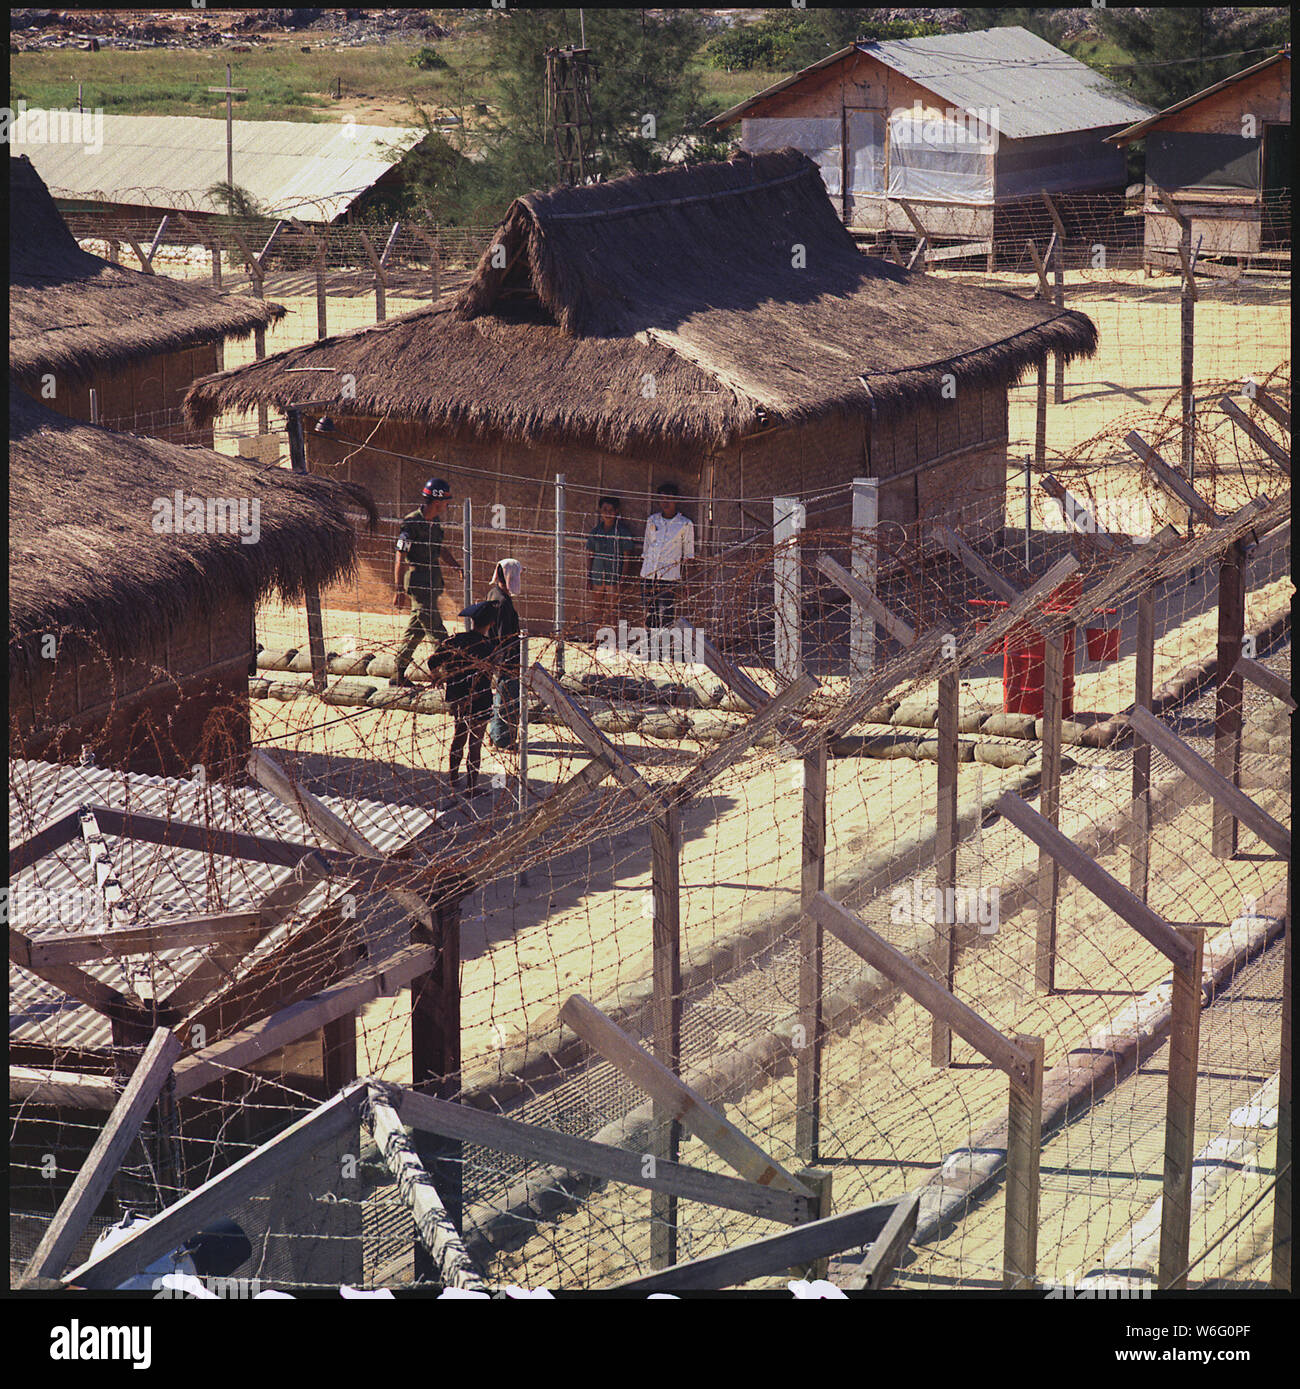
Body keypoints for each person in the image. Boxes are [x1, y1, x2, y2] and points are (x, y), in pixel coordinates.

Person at [392, 478, 464, 687]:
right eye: (446, 502)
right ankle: (451, 670)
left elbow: (440, 548)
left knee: (416, 628)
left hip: (432, 583)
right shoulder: (411, 523)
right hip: (418, 583)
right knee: (436, 629)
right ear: (437, 502)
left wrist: (456, 566)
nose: (447, 506)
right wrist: (398, 590)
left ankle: (398, 673)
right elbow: (400, 555)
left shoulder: (435, 523)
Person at [426, 602, 496, 792]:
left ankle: (453, 779)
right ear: (490, 623)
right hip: (480, 699)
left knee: (459, 737)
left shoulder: (455, 640)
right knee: (475, 744)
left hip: (458, 698)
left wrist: (438, 676)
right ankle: (471, 787)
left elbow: (432, 661)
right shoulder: (488, 647)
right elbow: (490, 673)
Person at [639, 482, 694, 631]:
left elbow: (688, 555)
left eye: (669, 498)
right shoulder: (652, 520)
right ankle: (650, 648)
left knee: (667, 615)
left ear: (676, 500)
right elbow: (646, 547)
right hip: (649, 573)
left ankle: (664, 648)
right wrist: (645, 574)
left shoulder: (685, 524)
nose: (665, 502)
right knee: (650, 613)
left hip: (669, 577)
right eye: (662, 499)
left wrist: (686, 581)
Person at [483, 557, 522, 749]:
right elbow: (505, 635)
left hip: (494, 654)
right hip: (506, 658)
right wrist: (509, 662)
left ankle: (493, 735)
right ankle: (501, 740)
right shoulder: (503, 601)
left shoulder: (493, 593)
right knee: (506, 697)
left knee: (500, 695)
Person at [585, 496, 636, 641]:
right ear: (600, 511)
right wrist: (589, 575)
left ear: (616, 511)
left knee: (614, 610)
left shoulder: (622, 532)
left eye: (611, 510)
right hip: (597, 574)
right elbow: (590, 555)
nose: (607, 513)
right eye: (604, 510)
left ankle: (614, 641)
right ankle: (596, 639)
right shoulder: (595, 531)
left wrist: (623, 577)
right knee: (597, 608)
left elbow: (627, 558)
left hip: (614, 575)